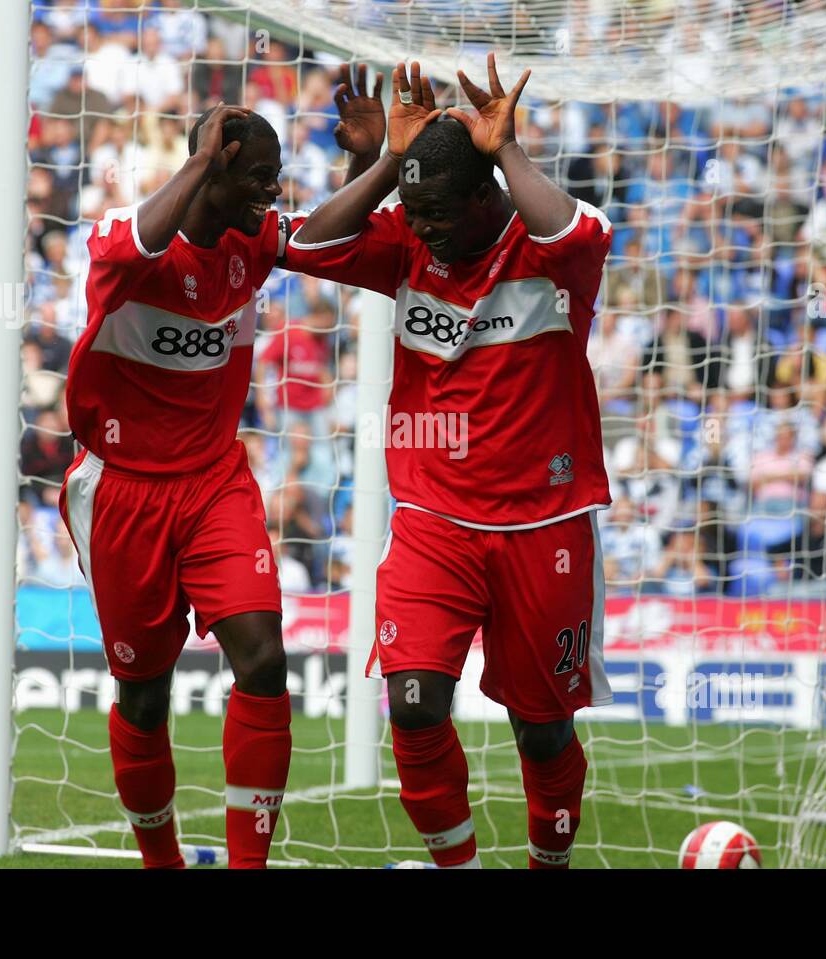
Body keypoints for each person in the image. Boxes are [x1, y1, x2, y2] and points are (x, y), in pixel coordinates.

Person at [286, 56, 613, 868]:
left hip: (544, 523)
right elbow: (303, 242)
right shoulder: (407, 242)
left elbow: (580, 228)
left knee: (541, 730)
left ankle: (550, 862)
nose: (422, 228)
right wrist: (391, 166)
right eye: (413, 212)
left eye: (436, 213)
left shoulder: (551, 256)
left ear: (484, 198)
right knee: (415, 703)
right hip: (433, 522)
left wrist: (506, 150)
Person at [58, 88, 383, 868]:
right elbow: (128, 244)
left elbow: (331, 237)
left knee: (265, 659)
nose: (273, 193)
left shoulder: (256, 239)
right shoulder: (125, 250)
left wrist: (381, 162)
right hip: (121, 491)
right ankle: (161, 861)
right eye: (261, 177)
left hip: (212, 480)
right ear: (216, 173)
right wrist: (199, 160)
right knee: (144, 693)